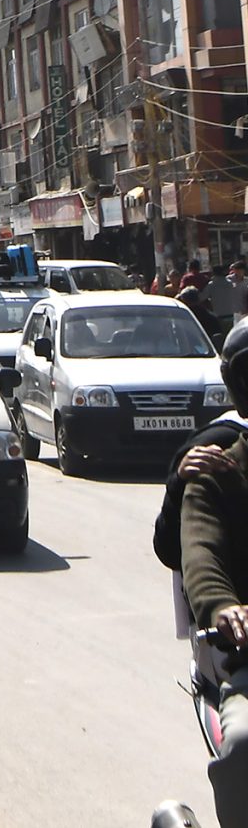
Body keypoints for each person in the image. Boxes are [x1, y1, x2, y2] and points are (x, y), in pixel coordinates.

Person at [178, 320, 248, 826]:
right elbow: (201, 554)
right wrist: (224, 608)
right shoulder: (217, 479)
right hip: (247, 662)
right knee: (244, 745)